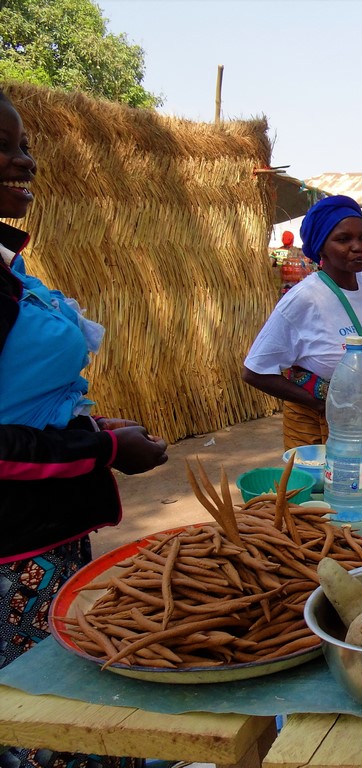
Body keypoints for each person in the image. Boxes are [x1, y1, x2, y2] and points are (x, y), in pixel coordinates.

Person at [0, 88, 168, 768]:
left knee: (75, 706)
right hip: (13, 556)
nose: (25, 161)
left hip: (49, 534)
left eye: (24, 146)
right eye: (5, 149)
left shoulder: (9, 266)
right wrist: (101, 447)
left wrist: (90, 424)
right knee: (46, 726)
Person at [242, 195, 362, 449]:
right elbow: (255, 371)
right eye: (343, 239)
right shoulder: (304, 299)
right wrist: (323, 404)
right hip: (322, 432)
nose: (358, 246)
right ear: (321, 247)